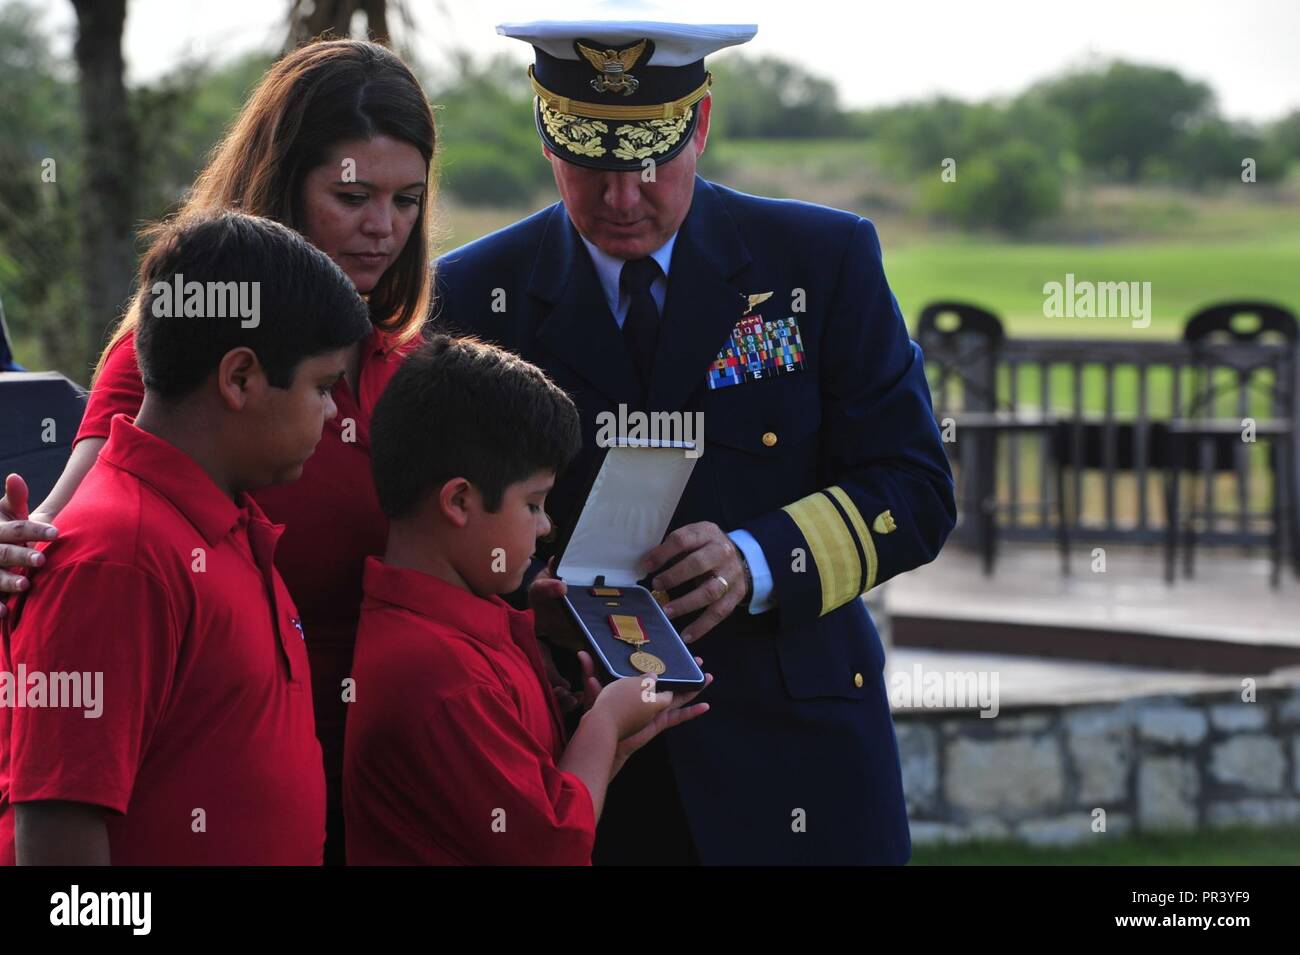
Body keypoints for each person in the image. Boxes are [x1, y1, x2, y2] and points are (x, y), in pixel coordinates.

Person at [432, 19, 957, 864]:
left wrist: (756, 559)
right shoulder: (471, 292)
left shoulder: (821, 262)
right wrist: (529, 596)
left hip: (800, 765)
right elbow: (444, 524)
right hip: (590, 765)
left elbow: (916, 489)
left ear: (701, 125)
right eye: (590, 165)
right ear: (545, 134)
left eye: (649, 162)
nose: (622, 199)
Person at [0, 39, 436, 863]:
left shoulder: (407, 366)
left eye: (407, 200)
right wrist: (14, 562)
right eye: (352, 195)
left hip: (376, 785)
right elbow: (75, 543)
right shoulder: (174, 368)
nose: (383, 228)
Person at [0, 211, 372, 864]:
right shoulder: (121, 559)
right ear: (240, 379)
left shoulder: (226, 524)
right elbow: (58, 847)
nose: (334, 411)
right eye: (321, 386)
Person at [344, 335, 709, 864]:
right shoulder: (441, 674)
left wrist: (600, 739)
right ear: (460, 501)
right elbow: (552, 845)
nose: (546, 528)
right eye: (534, 504)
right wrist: (604, 725)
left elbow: (538, 793)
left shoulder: (470, 623)